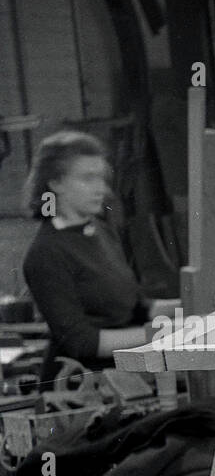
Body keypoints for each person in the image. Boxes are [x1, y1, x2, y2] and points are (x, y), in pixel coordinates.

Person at [22, 132, 184, 385]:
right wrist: (166, 332)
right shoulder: (46, 254)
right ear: (55, 183)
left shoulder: (102, 230)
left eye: (101, 178)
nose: (101, 189)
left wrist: (190, 303)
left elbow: (134, 307)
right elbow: (83, 343)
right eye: (88, 178)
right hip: (78, 385)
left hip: (124, 375)